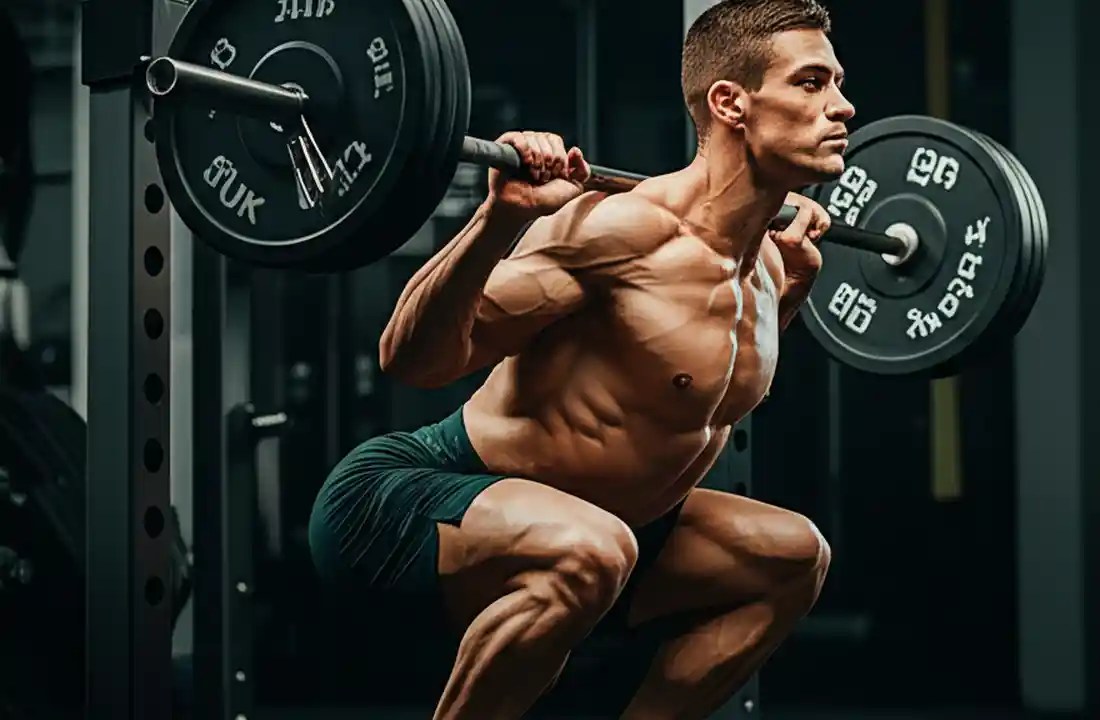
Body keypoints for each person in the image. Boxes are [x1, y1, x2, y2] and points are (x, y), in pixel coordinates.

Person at [308, 0, 854, 717]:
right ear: (731, 103)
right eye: (812, 83)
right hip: (409, 499)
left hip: (607, 529)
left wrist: (797, 288)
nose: (842, 107)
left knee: (790, 560)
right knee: (592, 551)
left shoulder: (767, 272)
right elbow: (412, 359)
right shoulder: (623, 234)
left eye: (837, 83)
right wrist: (500, 216)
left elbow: (693, 386)